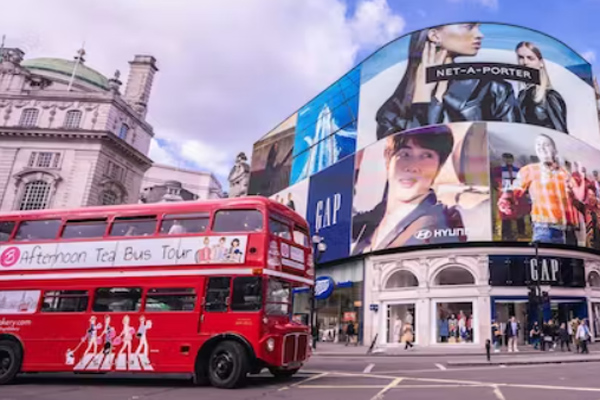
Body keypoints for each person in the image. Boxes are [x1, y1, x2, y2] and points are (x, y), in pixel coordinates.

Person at [376, 23, 522, 140]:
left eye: (479, 27)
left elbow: (517, 142)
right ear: (434, 35)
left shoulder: (493, 87)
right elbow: (414, 157)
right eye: (469, 27)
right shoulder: (391, 111)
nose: (480, 35)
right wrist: (422, 97)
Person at [351, 125, 464, 254]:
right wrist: (353, 170)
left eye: (427, 155)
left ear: (439, 166)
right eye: (405, 154)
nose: (412, 167)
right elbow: (344, 226)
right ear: (388, 159)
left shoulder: (438, 225)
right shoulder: (378, 214)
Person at [498, 134, 586, 246]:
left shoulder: (566, 173)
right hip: (546, 231)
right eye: (538, 145)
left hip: (570, 233)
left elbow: (580, 197)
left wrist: (582, 178)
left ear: (555, 150)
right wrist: (506, 200)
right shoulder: (529, 170)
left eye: (546, 145)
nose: (541, 148)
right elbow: (514, 189)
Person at [515, 41, 568, 134]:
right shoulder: (521, 96)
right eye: (521, 58)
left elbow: (562, 134)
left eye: (530, 58)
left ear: (541, 63)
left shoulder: (550, 96)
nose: (525, 62)